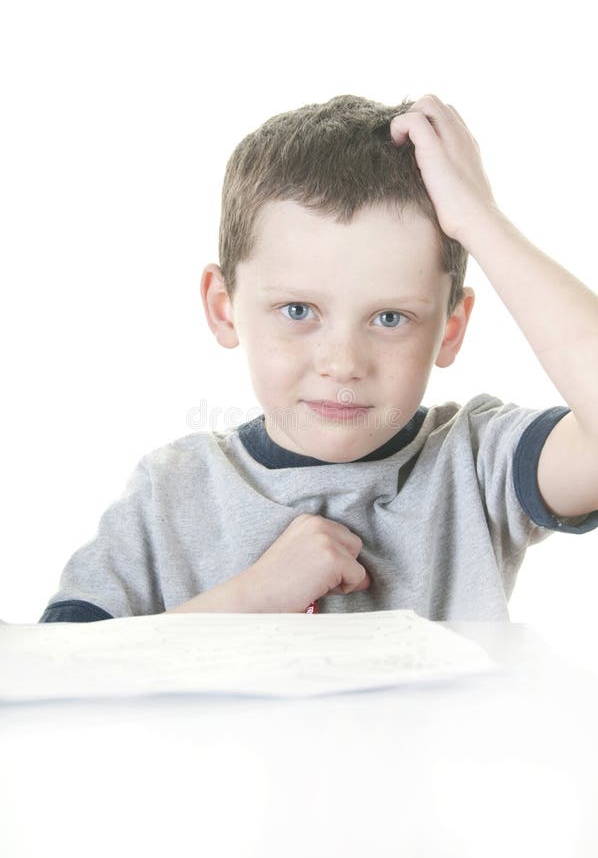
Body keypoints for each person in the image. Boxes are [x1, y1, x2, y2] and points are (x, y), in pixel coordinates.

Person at [39, 93, 598, 624]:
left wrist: (480, 222)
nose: (342, 363)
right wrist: (249, 601)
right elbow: (56, 669)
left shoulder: (477, 467)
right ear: (223, 307)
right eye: (299, 310)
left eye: (390, 318)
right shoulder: (171, 496)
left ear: (450, 329)